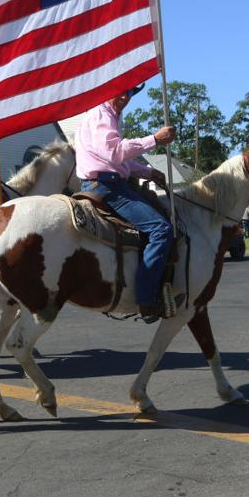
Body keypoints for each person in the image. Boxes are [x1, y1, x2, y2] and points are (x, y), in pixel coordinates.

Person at [75, 85, 176, 322]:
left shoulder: (105, 115)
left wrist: (149, 173)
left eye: (130, 92)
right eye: (121, 90)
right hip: (108, 188)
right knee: (161, 229)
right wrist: (154, 139)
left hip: (104, 181)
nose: (124, 96)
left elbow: (119, 163)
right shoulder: (102, 114)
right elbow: (115, 153)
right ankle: (147, 299)